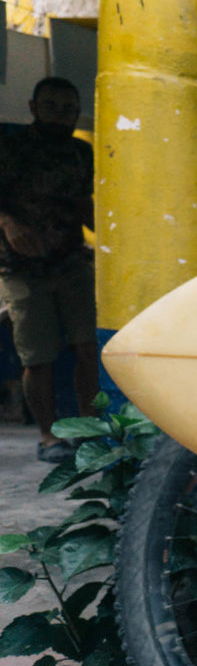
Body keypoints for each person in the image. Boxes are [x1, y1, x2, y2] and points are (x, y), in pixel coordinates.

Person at [0, 77, 97, 462]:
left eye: (69, 109)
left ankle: (89, 430)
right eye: (52, 106)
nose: (61, 115)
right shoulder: (10, 147)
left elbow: (84, 201)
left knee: (89, 345)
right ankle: (48, 437)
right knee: (37, 356)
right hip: (20, 267)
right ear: (33, 107)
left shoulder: (80, 152)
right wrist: (7, 222)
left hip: (71, 260)